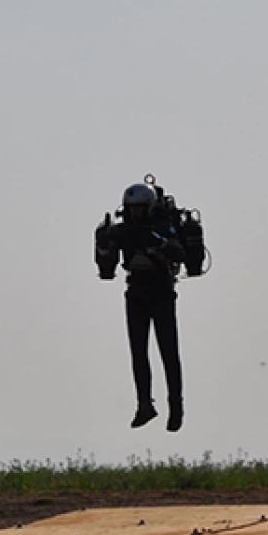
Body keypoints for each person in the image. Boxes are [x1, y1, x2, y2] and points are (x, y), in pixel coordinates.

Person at [95, 181, 188, 430]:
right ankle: (144, 404)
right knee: (138, 353)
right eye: (132, 208)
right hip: (136, 294)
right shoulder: (121, 231)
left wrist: (158, 242)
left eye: (140, 208)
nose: (135, 213)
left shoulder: (162, 228)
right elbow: (107, 266)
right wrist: (104, 245)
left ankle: (176, 406)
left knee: (168, 352)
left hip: (162, 293)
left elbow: (180, 254)